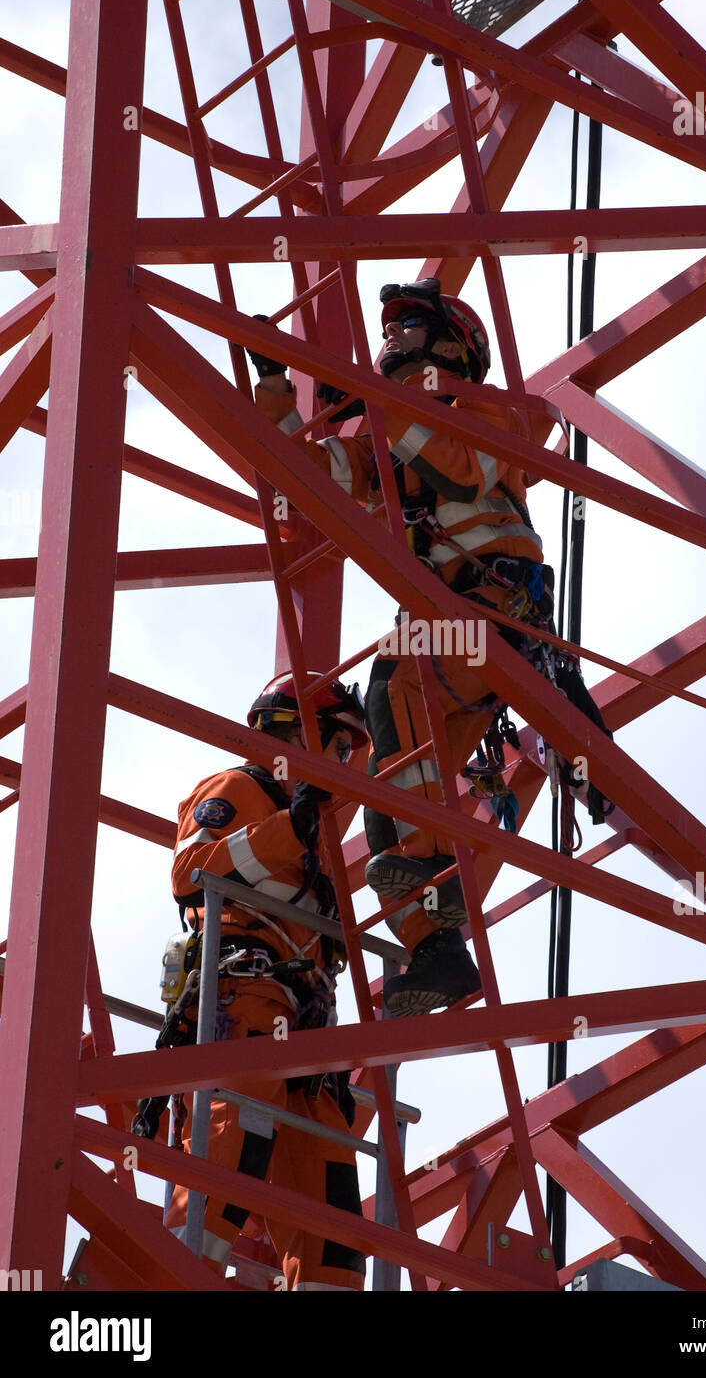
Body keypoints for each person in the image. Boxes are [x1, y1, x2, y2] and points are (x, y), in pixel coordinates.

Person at [249, 280, 597, 1019]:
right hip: (463, 634)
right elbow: (306, 482)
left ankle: (433, 865)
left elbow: (450, 462)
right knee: (387, 788)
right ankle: (435, 946)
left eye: (407, 329)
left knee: (393, 688)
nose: (390, 343)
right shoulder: (391, 426)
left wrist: (368, 400)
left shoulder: (484, 411)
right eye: (391, 333)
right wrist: (276, 392)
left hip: (491, 614)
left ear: (452, 347)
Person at [163, 672, 369, 1290]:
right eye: (336, 746)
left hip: (308, 1036)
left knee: (334, 1206)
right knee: (236, 1141)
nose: (341, 764)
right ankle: (173, 1278)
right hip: (245, 1001)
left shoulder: (316, 829)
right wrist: (288, 830)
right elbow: (189, 872)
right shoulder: (238, 790)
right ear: (297, 733)